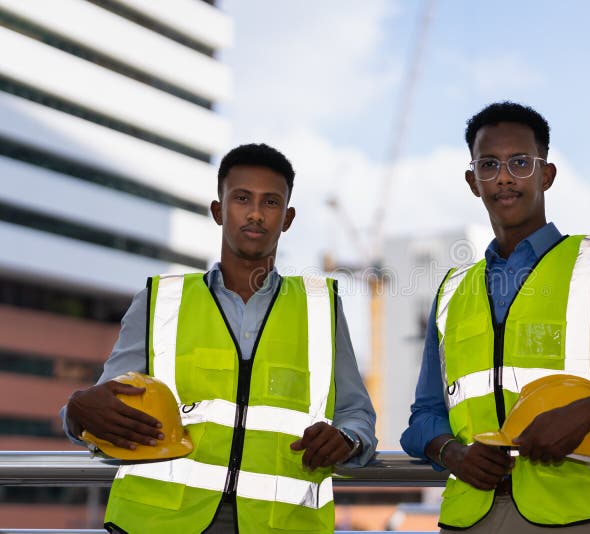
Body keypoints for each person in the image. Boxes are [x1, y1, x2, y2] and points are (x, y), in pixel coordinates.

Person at [400, 102, 590, 533]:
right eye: (488, 164)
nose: (504, 177)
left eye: (520, 162)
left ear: (546, 175)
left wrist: (583, 415)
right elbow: (425, 415)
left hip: (584, 514)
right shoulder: (452, 291)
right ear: (473, 182)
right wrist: (452, 453)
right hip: (471, 518)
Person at [62, 143, 377, 534]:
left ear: (288, 218)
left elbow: (357, 414)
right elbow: (105, 404)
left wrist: (348, 438)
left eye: (271, 202)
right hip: (159, 524)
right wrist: (76, 412)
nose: (256, 213)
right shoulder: (162, 301)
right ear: (218, 210)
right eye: (242, 198)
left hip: (280, 526)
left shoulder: (321, 307)